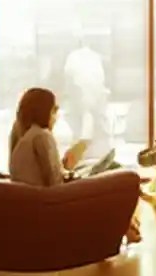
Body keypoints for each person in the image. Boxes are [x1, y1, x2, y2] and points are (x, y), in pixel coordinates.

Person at [9, 87, 142, 243]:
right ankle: (127, 228)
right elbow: (55, 184)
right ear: (44, 112)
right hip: (49, 204)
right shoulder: (42, 136)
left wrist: (64, 168)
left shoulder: (22, 136)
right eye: (53, 112)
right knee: (111, 177)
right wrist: (69, 173)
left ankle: (127, 226)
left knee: (97, 168)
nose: (55, 118)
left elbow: (42, 175)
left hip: (36, 203)